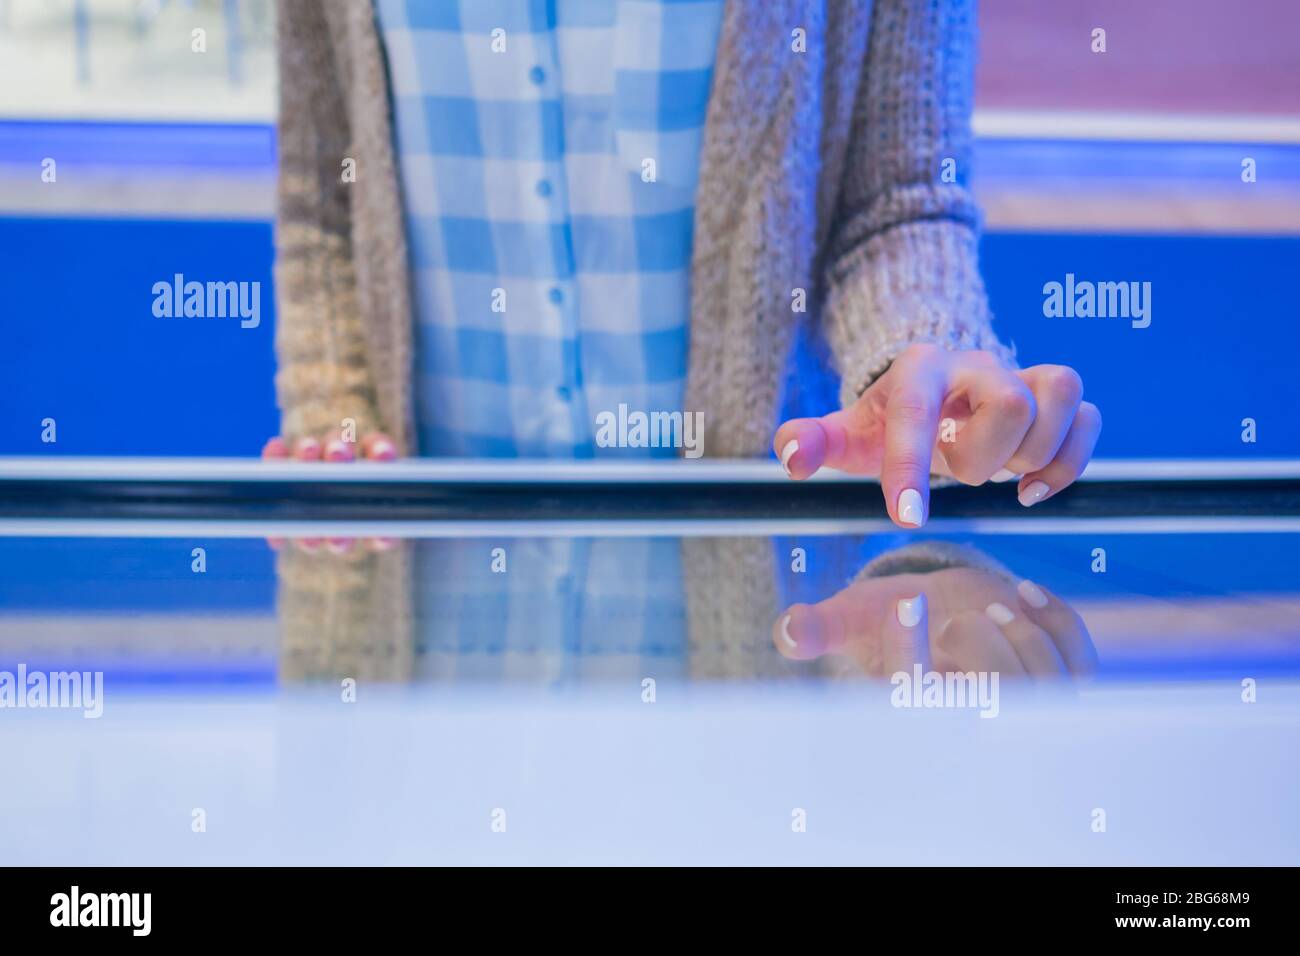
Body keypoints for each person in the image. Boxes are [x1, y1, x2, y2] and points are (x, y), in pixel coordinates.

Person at [262, 0, 1101, 532]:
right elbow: (326, 194)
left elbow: (896, 198)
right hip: (428, 612)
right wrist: (339, 420)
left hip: (762, 618)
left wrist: (924, 357)